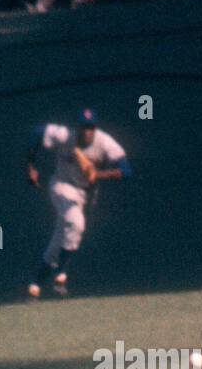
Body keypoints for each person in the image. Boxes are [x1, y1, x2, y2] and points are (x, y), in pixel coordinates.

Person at [26, 108, 130, 299]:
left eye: (90, 127)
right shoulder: (65, 136)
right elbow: (37, 132)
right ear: (77, 127)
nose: (87, 131)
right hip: (61, 186)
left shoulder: (104, 142)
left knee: (60, 240)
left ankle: (34, 286)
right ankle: (61, 276)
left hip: (86, 195)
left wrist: (98, 174)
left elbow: (126, 170)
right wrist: (31, 165)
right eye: (83, 127)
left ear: (95, 128)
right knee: (76, 223)